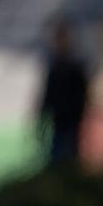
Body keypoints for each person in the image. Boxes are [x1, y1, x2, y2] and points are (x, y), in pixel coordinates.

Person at [36, 16, 89, 165]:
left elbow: (84, 94)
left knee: (68, 157)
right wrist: (41, 115)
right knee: (57, 157)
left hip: (72, 121)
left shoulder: (75, 65)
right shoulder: (55, 63)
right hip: (58, 120)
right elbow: (48, 93)